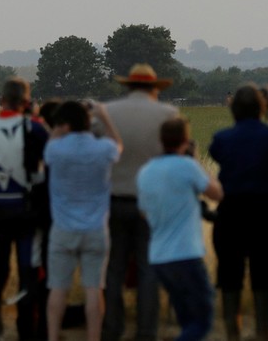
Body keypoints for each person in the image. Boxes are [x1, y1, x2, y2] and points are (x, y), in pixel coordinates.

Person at [208, 85, 268, 341]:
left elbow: (216, 153)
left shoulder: (222, 139)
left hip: (230, 213)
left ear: (234, 109)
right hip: (265, 212)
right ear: (262, 108)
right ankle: (263, 333)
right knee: (264, 276)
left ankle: (232, 334)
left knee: (229, 276)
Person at [102, 64, 179, 341]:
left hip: (114, 200)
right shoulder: (168, 114)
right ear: (155, 88)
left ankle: (112, 328)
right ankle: (146, 331)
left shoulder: (109, 112)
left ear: (128, 86)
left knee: (114, 268)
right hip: (151, 204)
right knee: (148, 269)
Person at [136, 118, 223, 341]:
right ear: (185, 140)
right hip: (186, 254)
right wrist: (196, 163)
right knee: (203, 318)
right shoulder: (187, 166)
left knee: (187, 319)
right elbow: (217, 194)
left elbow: (144, 212)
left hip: (158, 257)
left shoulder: (146, 171)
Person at [44, 100, 122, 341]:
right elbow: (119, 145)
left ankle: (53, 335)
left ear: (63, 123)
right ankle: (93, 337)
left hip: (63, 229)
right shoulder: (102, 149)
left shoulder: (55, 149)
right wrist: (105, 116)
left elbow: (48, 150)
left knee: (58, 289)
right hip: (96, 228)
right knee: (94, 290)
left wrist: (57, 128)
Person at [0, 77, 50, 341]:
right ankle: (27, 331)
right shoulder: (36, 128)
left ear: (2, 101)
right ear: (26, 101)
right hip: (27, 211)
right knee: (28, 275)